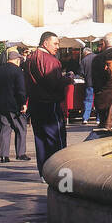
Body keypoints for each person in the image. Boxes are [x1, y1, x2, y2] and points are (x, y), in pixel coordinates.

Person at [23, 32, 74, 180]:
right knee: (55, 140)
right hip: (49, 104)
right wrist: (68, 79)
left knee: (40, 139)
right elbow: (54, 83)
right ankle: (58, 174)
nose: (58, 47)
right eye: (55, 44)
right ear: (45, 43)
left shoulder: (31, 58)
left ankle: (44, 173)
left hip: (35, 103)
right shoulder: (50, 60)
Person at [0, 49, 28, 162]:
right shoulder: (18, 71)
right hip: (15, 105)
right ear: (17, 60)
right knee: (21, 128)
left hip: (2, 104)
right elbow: (21, 89)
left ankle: (4, 155)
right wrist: (23, 103)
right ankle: (20, 153)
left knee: (4, 129)